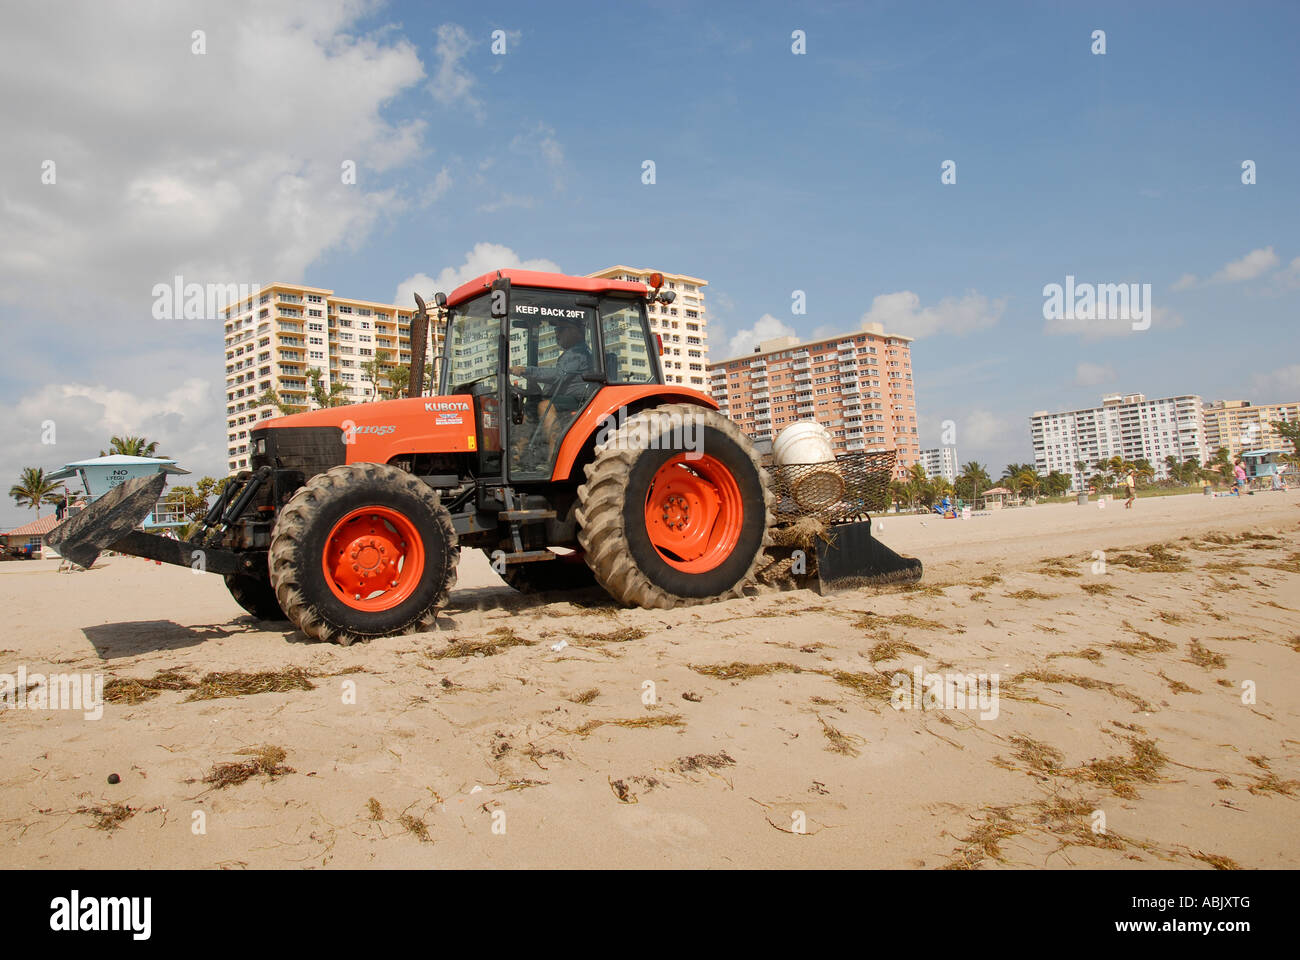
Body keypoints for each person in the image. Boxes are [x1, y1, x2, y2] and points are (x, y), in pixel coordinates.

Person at [508, 317, 593, 466]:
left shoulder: (580, 353)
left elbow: (558, 375)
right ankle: (518, 456)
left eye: (561, 329)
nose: (557, 334)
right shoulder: (571, 353)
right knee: (529, 406)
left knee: (545, 406)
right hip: (565, 397)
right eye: (555, 330)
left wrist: (526, 370)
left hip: (579, 399)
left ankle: (554, 456)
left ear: (577, 331)